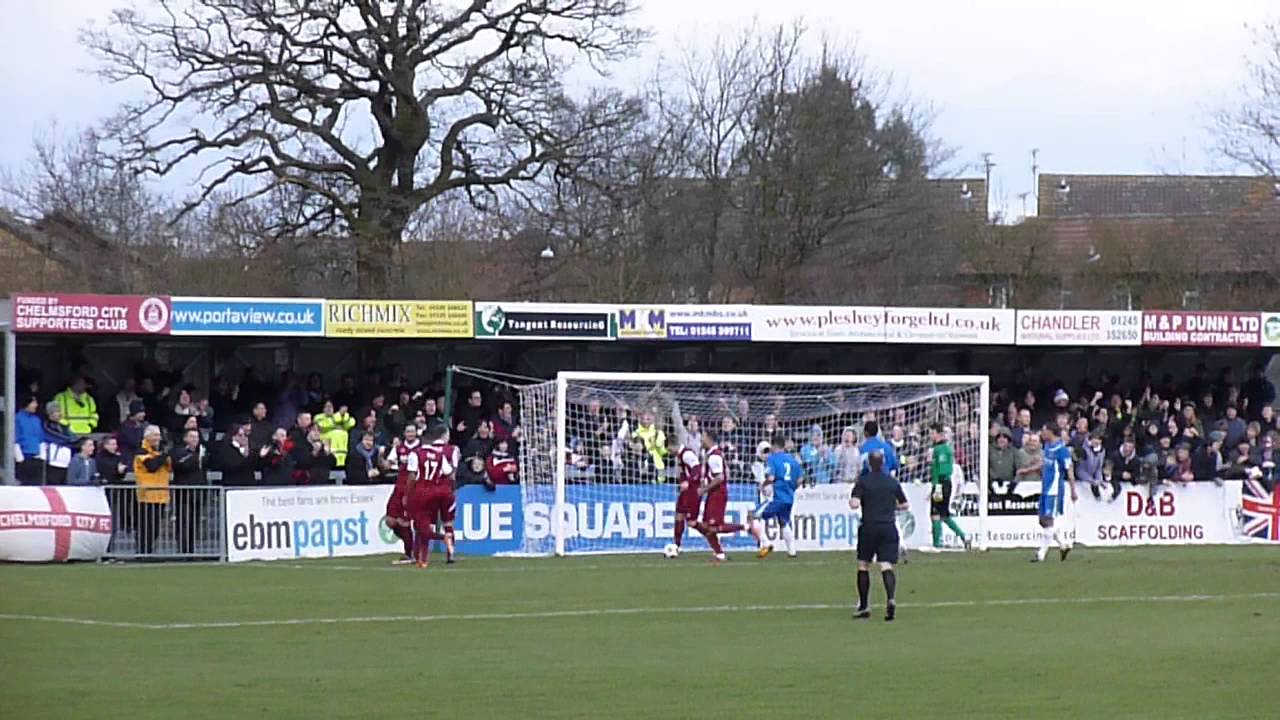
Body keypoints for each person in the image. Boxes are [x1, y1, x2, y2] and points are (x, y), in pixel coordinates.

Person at [849, 451, 909, 622]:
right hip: (888, 526)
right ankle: (890, 598)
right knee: (886, 564)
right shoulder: (891, 482)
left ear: (868, 463)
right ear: (883, 463)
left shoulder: (863, 481)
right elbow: (905, 505)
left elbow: (854, 503)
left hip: (869, 526)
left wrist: (857, 501)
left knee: (864, 565)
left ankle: (864, 606)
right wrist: (891, 507)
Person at [405, 424, 458, 567]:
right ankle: (424, 558)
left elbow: (412, 475)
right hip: (437, 492)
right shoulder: (441, 455)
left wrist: (408, 493)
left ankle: (441, 540)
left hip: (421, 491)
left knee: (421, 526)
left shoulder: (416, 454)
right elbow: (449, 473)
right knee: (442, 523)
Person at [749, 433, 804, 559]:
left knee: (753, 516)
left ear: (774, 446)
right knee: (783, 522)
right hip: (789, 498)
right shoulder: (793, 460)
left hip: (776, 497)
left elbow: (771, 477)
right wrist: (792, 488)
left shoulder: (772, 459)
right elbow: (800, 479)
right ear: (784, 445)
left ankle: (766, 543)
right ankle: (792, 551)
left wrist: (764, 484)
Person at [698, 429, 746, 561]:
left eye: (703, 437)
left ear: (709, 439)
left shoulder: (714, 456)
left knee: (713, 527)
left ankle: (745, 527)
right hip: (714, 493)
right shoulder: (711, 454)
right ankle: (719, 553)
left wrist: (704, 489)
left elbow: (720, 477)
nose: (701, 440)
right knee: (706, 526)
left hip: (717, 494)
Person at [1034, 425, 1078, 563]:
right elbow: (1044, 464)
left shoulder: (1062, 450)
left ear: (1051, 432)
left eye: (1044, 430)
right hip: (1045, 488)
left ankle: (1041, 554)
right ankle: (1064, 545)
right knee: (1042, 520)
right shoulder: (1047, 445)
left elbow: (1069, 470)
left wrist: (1073, 490)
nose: (1042, 433)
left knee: (1048, 518)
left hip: (1054, 489)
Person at [928, 423, 970, 550]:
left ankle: (937, 543)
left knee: (936, 513)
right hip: (944, 483)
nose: (931, 436)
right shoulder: (944, 448)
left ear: (939, 434)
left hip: (941, 483)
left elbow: (943, 470)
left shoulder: (941, 449)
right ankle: (964, 537)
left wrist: (936, 486)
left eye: (932, 433)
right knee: (944, 514)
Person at [133, 425, 172, 556]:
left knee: (155, 528)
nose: (158, 438)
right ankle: (142, 552)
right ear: (147, 436)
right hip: (147, 495)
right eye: (155, 435)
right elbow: (152, 466)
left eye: (159, 435)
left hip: (160, 494)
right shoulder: (141, 451)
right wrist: (165, 454)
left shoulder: (157, 452)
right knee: (146, 527)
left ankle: (149, 552)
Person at [170, 428, 209, 555]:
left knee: (194, 522)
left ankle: (191, 550)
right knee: (183, 521)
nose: (195, 440)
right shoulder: (178, 452)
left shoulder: (203, 452)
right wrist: (195, 457)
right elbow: (179, 466)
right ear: (185, 438)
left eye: (197, 437)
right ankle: (182, 549)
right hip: (184, 492)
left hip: (198, 492)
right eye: (192, 437)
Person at [666, 432, 705, 556]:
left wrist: (688, 482)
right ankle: (677, 545)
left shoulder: (687, 454)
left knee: (691, 522)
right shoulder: (679, 456)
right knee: (679, 515)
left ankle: (713, 535)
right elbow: (684, 472)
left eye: (668, 449)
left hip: (694, 490)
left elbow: (697, 469)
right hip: (686, 491)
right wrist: (682, 482)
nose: (668, 452)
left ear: (673, 446)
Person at [41, 401, 79, 485]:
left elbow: (74, 439)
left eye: (59, 411)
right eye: (56, 411)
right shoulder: (46, 425)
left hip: (66, 462)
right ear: (50, 414)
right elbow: (55, 438)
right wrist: (68, 441)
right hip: (53, 463)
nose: (59, 414)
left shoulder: (64, 426)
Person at [15, 396, 45, 485]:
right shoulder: (17, 418)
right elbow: (15, 439)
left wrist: (42, 455)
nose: (36, 405)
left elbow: (40, 438)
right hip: (24, 457)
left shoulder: (36, 419)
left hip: (37, 458)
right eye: (33, 403)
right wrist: (20, 459)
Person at [315, 401, 356, 468]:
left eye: (331, 406)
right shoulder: (319, 418)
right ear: (323, 408)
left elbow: (351, 423)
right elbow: (324, 425)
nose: (329, 409)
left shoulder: (340, 417)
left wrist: (342, 416)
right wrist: (339, 417)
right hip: (328, 453)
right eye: (327, 407)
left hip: (343, 453)